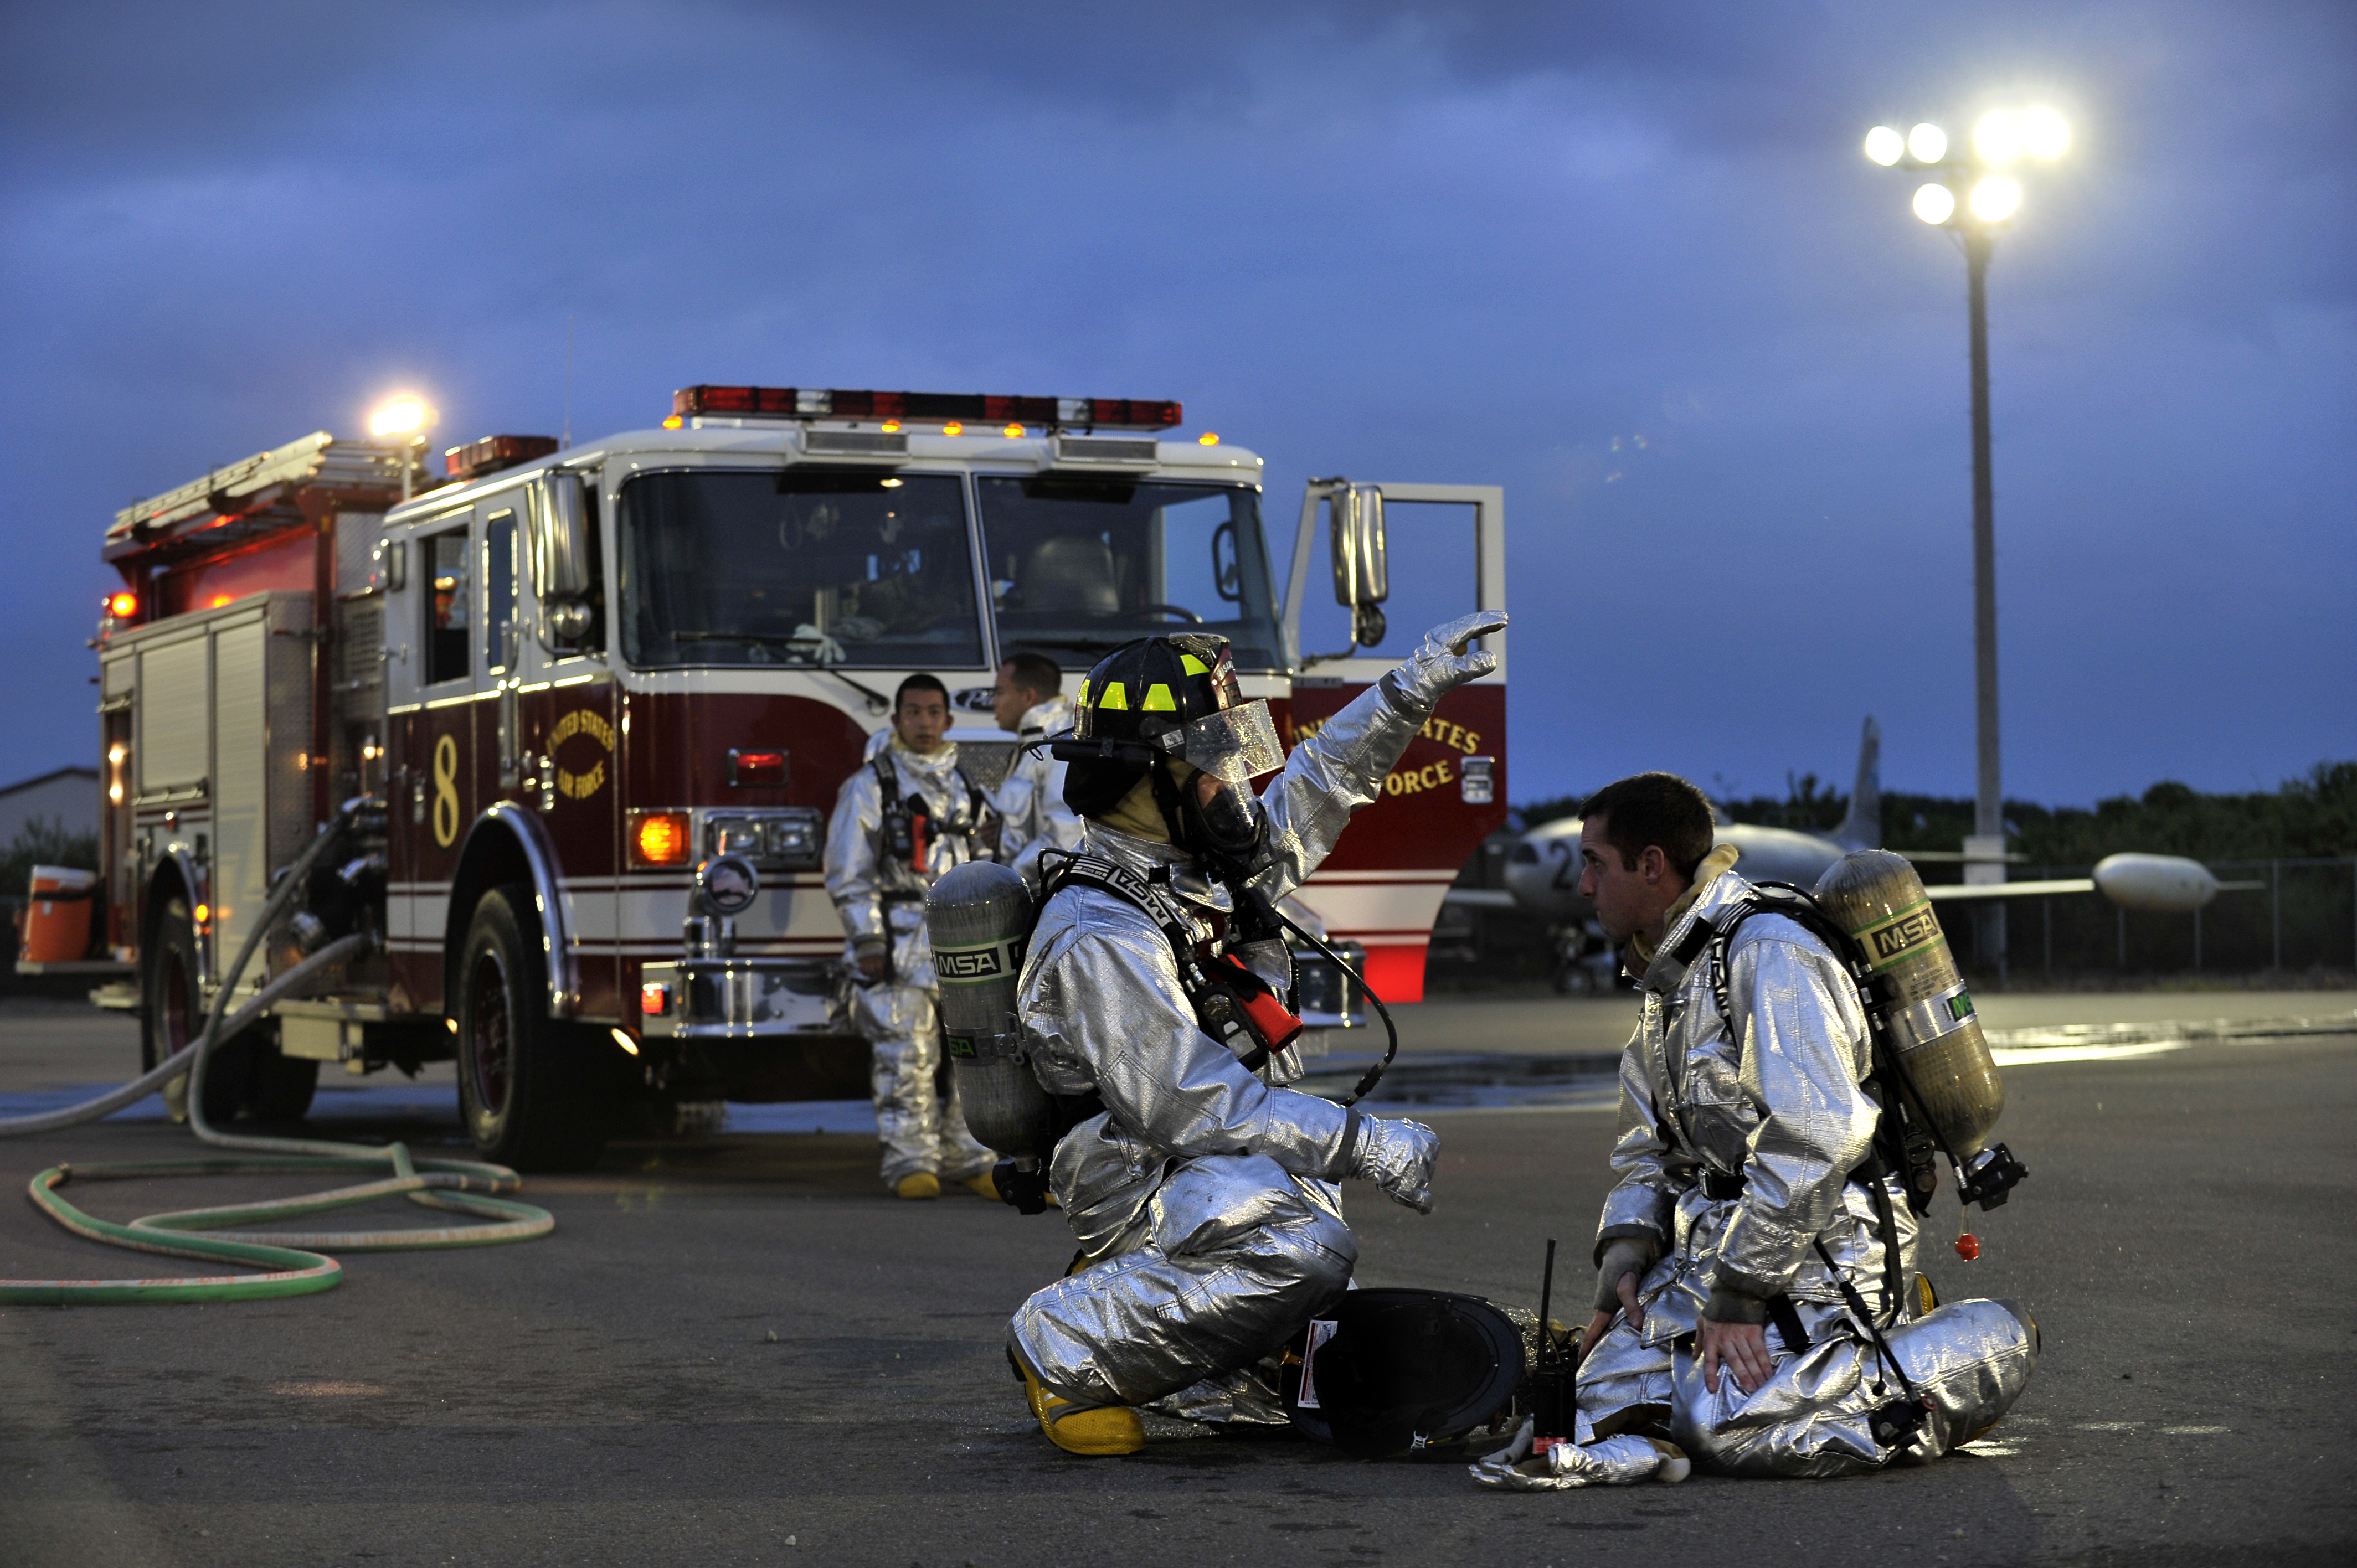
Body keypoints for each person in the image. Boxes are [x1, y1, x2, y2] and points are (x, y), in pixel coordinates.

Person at [1004, 611, 1507, 1456]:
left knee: (1304, 1213)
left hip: (1202, 1159)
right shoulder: (1100, 929)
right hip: (1138, 1163)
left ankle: (1198, 1350)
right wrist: (1365, 1140)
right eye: (1212, 758)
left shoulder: (1195, 869)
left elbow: (1319, 788)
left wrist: (1406, 691)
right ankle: (1065, 1344)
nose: (1231, 777)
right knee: (1303, 1249)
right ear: (1148, 776)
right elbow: (1185, 1103)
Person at [1473, 772, 2037, 1489]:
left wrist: (1739, 1297)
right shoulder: (1667, 980)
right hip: (1711, 1256)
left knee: (1721, 1423)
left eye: (1596, 864)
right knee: (1583, 1409)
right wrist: (1621, 1263)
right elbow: (1648, 1154)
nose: (1586, 887)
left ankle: (1982, 1343)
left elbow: (1816, 1135)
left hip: (1821, 1253)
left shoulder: (1767, 951)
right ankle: (1795, 1360)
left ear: (1652, 866)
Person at [824, 673, 998, 1199]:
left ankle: (972, 1156)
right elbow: (848, 871)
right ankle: (910, 1162)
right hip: (898, 942)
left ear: (949, 720)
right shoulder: (870, 786)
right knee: (906, 1055)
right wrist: (868, 942)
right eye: (914, 713)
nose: (925, 723)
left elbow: (992, 865)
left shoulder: (971, 785)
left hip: (964, 941)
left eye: (934, 712)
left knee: (977, 1055)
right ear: (897, 719)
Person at [987, 649, 1084, 890]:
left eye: (1000, 693)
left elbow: (1067, 839)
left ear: (1028, 697)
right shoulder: (1040, 744)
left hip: (1050, 897)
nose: (993, 703)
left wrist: (1006, 880)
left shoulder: (1058, 747)